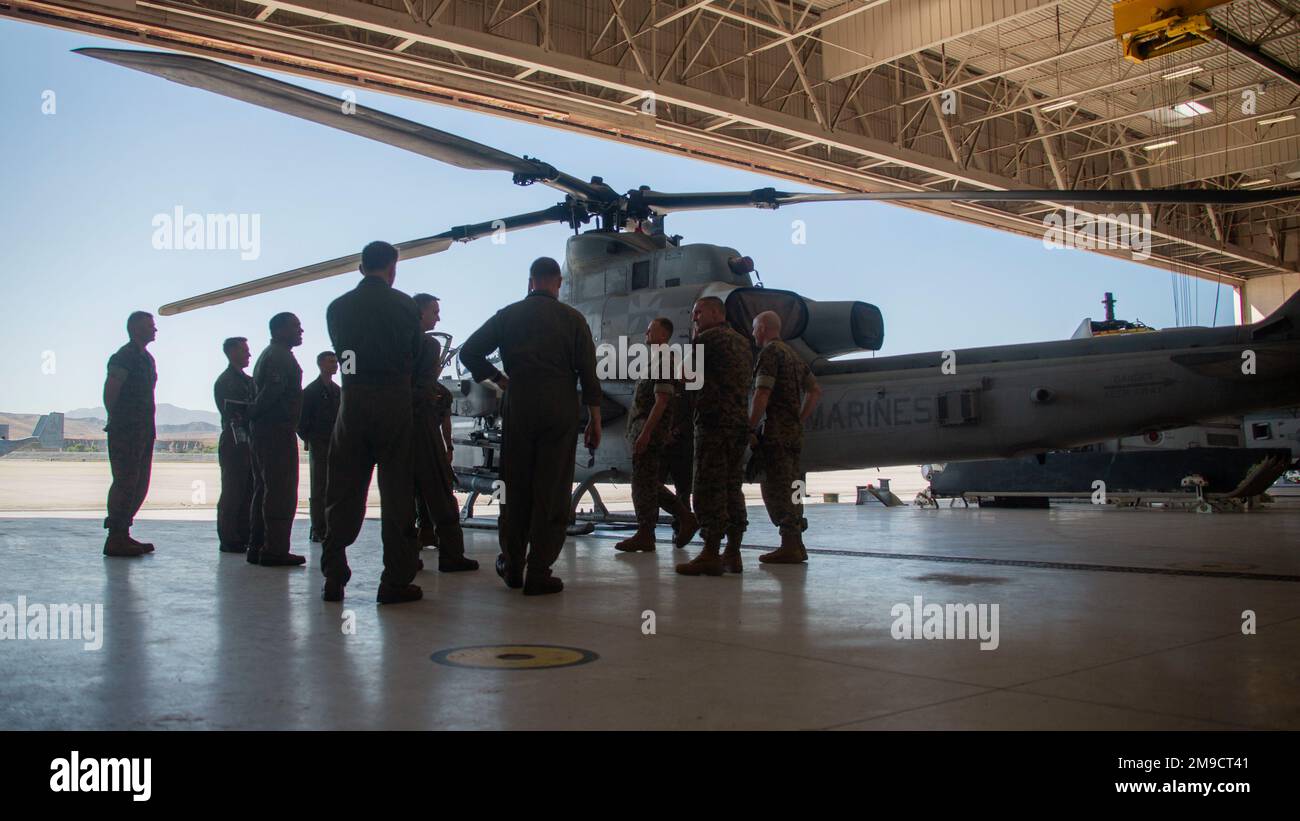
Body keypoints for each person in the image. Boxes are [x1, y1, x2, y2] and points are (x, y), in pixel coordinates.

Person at [459, 256, 602, 596]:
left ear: (530, 281)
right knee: (551, 490)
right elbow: (588, 373)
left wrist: (499, 378)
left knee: (514, 486)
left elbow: (469, 353)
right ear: (558, 283)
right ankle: (539, 570)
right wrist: (594, 419)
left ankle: (512, 564)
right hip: (559, 407)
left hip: (520, 403)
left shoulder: (508, 315)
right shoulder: (573, 319)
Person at [320, 241, 425, 604]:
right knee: (397, 495)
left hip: (352, 400)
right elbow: (414, 351)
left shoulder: (338, 307)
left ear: (361, 268)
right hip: (395, 401)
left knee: (343, 492)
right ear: (393, 269)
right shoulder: (405, 305)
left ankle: (334, 575)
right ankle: (395, 581)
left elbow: (343, 352)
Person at [676, 297, 753, 576]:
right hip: (738, 424)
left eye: (698, 312)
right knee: (733, 487)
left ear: (714, 312)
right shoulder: (743, 342)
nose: (694, 317)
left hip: (713, 423)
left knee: (709, 486)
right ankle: (733, 552)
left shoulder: (707, 340)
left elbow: (685, 376)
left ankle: (710, 552)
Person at [614, 317, 696, 553]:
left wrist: (646, 434)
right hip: (644, 431)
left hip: (649, 433)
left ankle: (653, 529)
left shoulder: (664, 360)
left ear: (663, 334)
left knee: (644, 483)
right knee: (647, 483)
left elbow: (661, 401)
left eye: (650, 330)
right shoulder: (656, 359)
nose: (646, 334)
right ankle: (651, 530)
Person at [748, 310, 822, 563]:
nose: (753, 333)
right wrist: (799, 419)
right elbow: (815, 391)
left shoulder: (770, 353)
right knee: (793, 486)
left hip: (776, 433)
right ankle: (797, 543)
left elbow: (762, 394)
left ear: (764, 328)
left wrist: (749, 427)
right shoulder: (793, 355)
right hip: (793, 432)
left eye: (755, 327)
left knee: (775, 487)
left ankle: (789, 543)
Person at [411, 293, 478, 572]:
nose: (437, 317)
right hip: (422, 431)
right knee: (442, 493)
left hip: (398, 432)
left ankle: (404, 558)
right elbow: (425, 387)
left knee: (400, 498)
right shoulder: (426, 344)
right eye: (434, 312)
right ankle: (451, 555)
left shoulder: (394, 344)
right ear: (420, 313)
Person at [248, 313, 306, 568]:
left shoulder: (272, 354)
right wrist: (255, 414)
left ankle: (258, 545)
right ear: (280, 330)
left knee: (265, 489)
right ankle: (275, 549)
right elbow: (271, 392)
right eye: (295, 327)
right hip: (276, 431)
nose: (301, 331)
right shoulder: (280, 357)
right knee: (280, 491)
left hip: (269, 430)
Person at [102, 311, 159, 558]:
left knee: (139, 483)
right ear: (135, 328)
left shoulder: (147, 358)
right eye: (150, 325)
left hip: (144, 430)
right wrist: (116, 419)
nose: (155, 330)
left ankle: (123, 533)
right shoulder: (124, 356)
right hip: (127, 430)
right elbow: (111, 390)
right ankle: (115, 537)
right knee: (126, 482)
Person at [214, 336, 255, 554]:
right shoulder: (227, 381)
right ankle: (229, 538)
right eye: (244, 350)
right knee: (233, 491)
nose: (249, 354)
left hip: (247, 443)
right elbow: (238, 412)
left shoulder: (246, 380)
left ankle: (242, 534)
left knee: (247, 490)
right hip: (235, 441)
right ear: (231, 353)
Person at [298, 351, 340, 543]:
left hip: (336, 444)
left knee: (334, 487)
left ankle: (331, 525)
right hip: (320, 444)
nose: (335, 364)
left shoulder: (337, 391)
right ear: (321, 364)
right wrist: (311, 438)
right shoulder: (311, 392)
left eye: (336, 361)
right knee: (319, 488)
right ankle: (318, 528)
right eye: (331, 361)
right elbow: (301, 421)